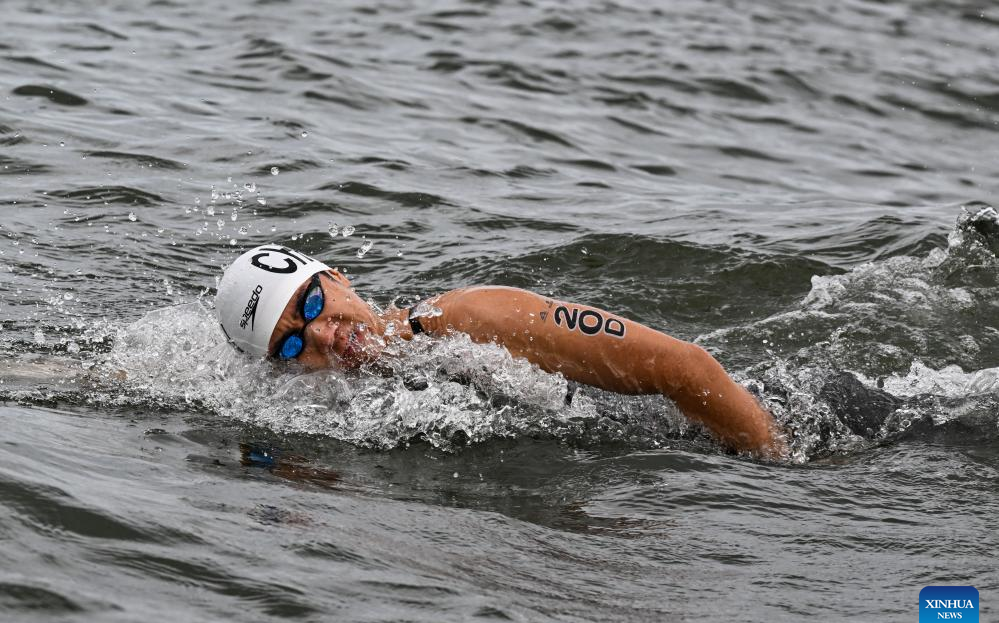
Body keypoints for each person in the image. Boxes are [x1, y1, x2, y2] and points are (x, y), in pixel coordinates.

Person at [216, 244, 787, 458]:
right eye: (292, 343)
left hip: (765, 429)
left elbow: (686, 367)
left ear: (337, 276)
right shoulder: (337, 405)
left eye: (312, 303)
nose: (321, 334)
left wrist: (777, 470)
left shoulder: (468, 321)